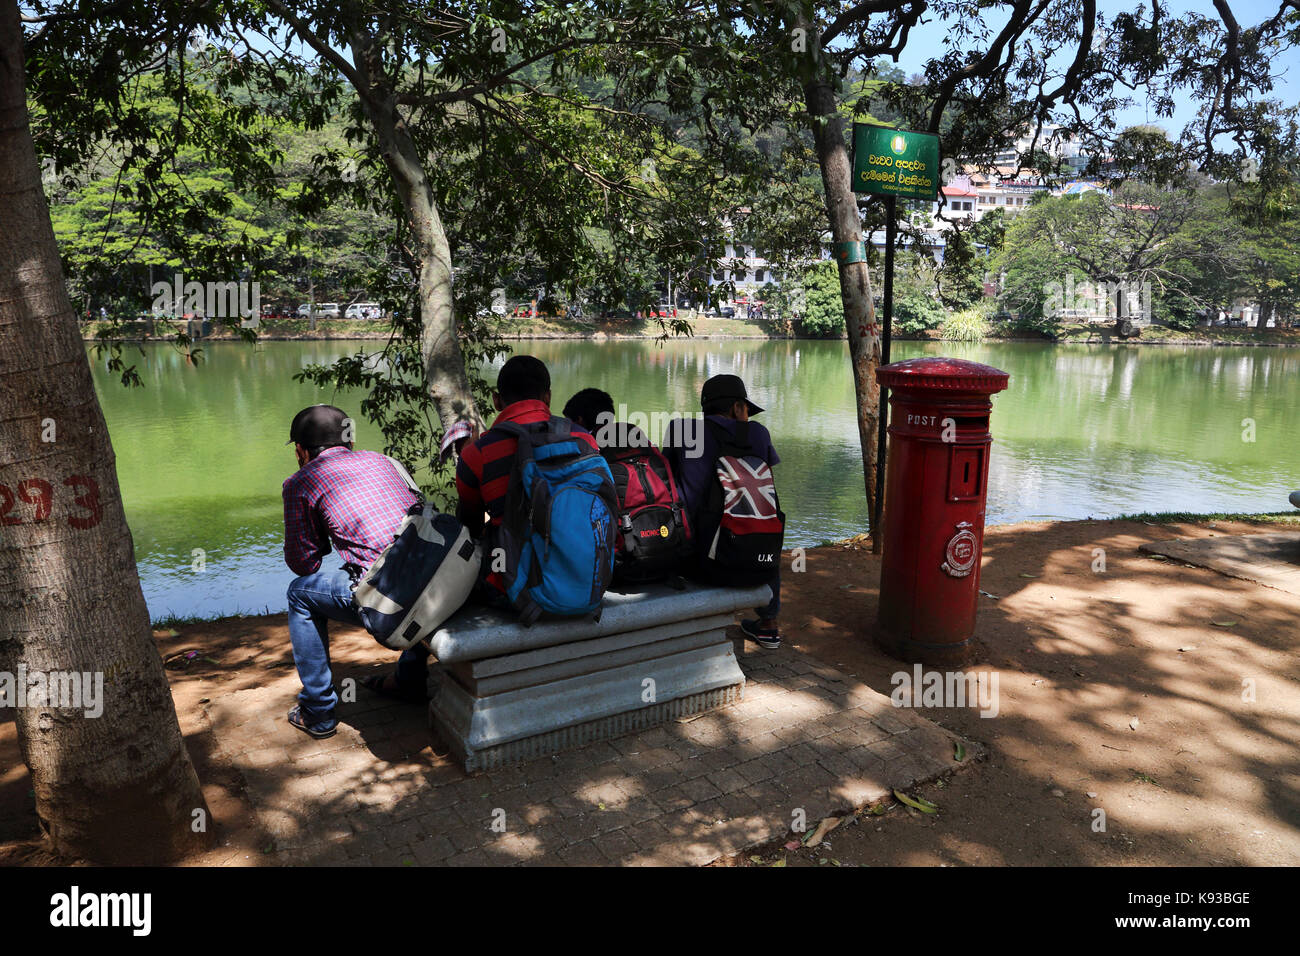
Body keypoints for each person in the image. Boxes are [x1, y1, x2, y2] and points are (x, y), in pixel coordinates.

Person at [281, 404, 425, 738]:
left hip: (388, 599)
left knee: (299, 594)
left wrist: (318, 531)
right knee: (413, 565)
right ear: (349, 441)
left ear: (301, 450)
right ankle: (410, 680)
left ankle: (318, 712)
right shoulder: (383, 461)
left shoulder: (300, 482)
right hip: (439, 579)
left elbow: (305, 565)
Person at [455, 355, 600, 595]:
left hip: (512, 589)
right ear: (548, 397)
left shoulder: (476, 454)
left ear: (496, 400)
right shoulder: (584, 439)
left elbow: (469, 525)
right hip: (582, 577)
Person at [663, 374, 783, 649]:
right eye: (746, 409)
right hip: (759, 563)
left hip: (701, 560)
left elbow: (667, 482)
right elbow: (766, 488)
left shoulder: (683, 430)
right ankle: (769, 625)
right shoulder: (759, 434)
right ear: (737, 408)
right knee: (763, 521)